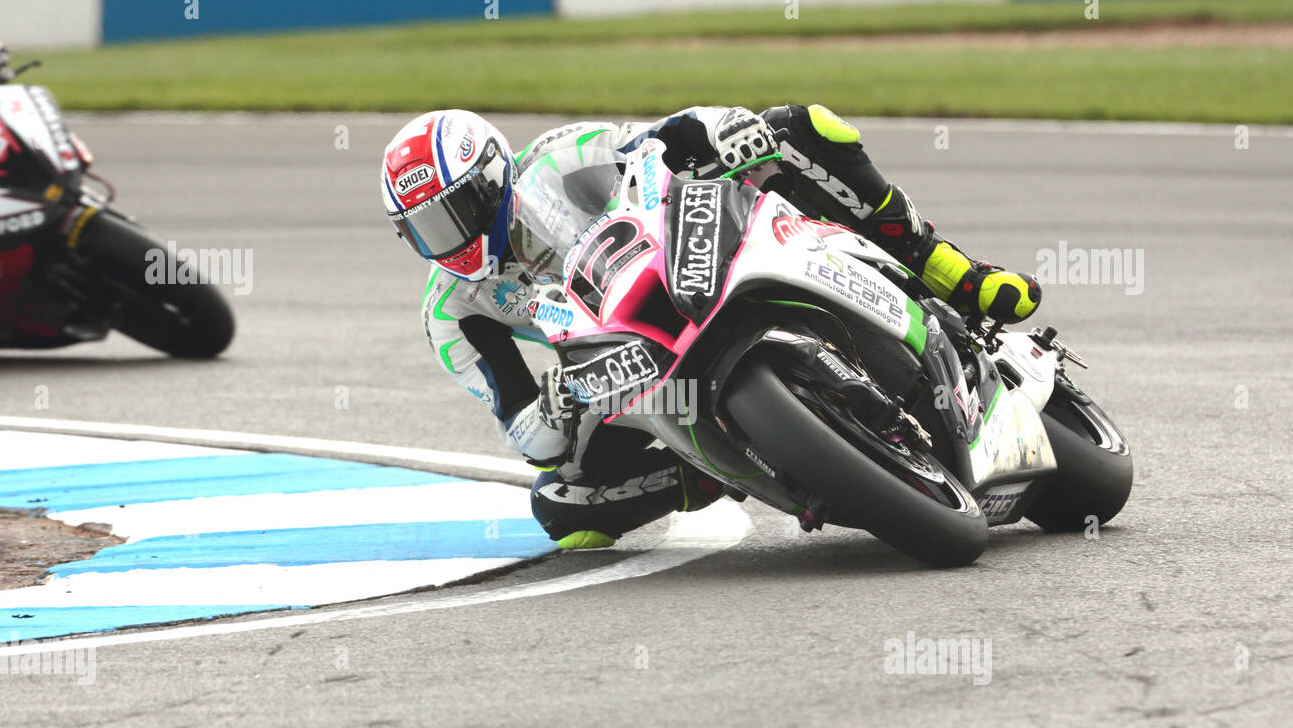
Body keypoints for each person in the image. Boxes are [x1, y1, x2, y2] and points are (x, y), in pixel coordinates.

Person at [380, 105, 1041, 548]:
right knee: (562, 505)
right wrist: (557, 403)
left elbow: (656, 146)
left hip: (682, 261)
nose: (454, 239)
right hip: (618, 361)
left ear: (493, 177)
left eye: (458, 211)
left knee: (800, 126)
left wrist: (718, 137)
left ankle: (946, 266)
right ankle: (711, 471)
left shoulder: (562, 155)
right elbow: (528, 432)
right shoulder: (452, 312)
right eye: (427, 230)